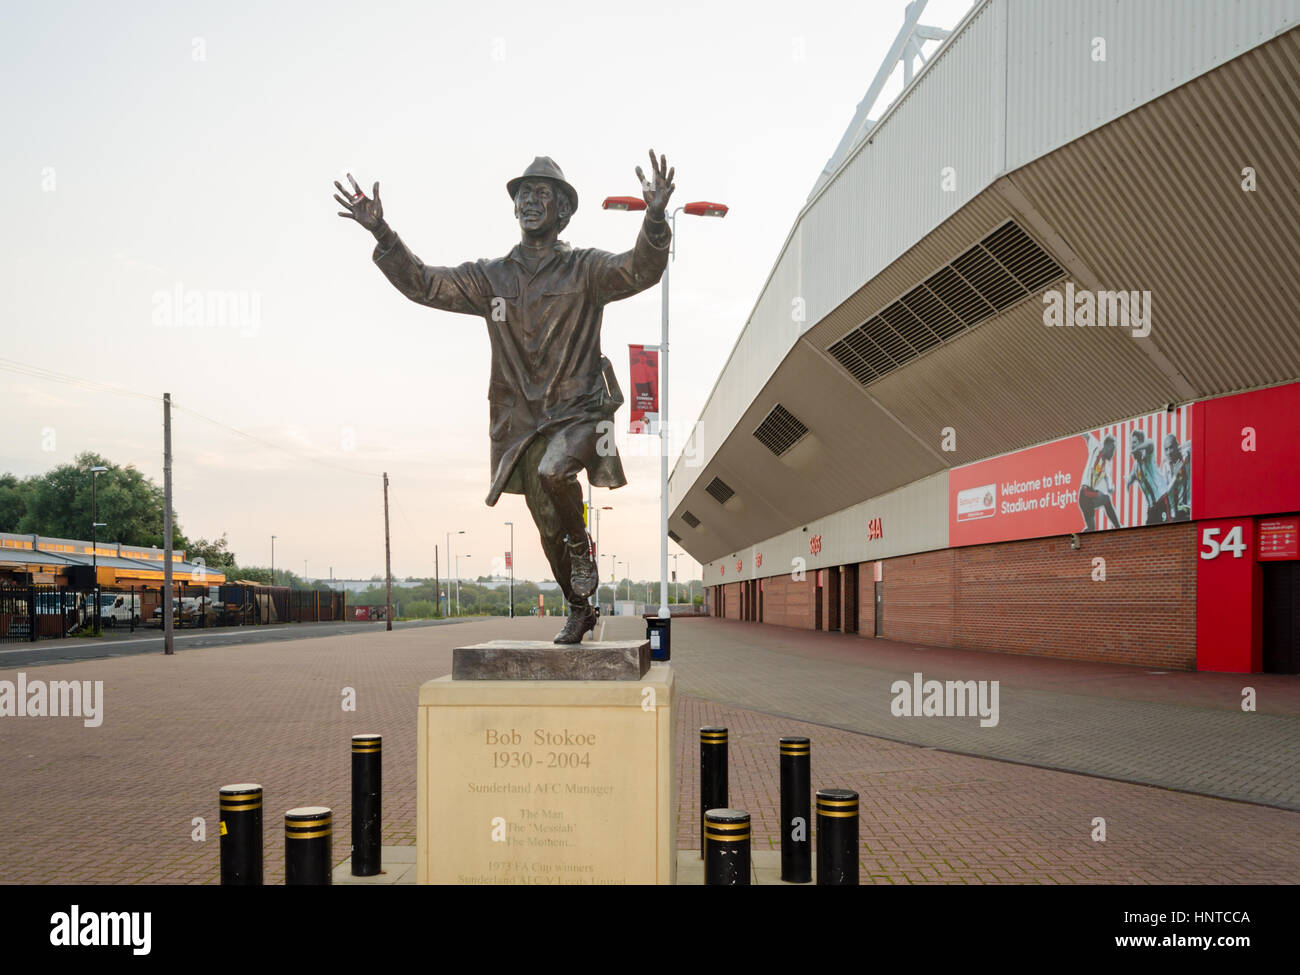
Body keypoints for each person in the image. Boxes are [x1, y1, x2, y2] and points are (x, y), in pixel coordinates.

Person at [335, 152, 674, 643]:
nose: (529, 202)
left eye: (542, 195)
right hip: (522, 423)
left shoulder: (585, 270)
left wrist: (656, 218)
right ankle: (580, 609)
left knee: (554, 471)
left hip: (579, 413)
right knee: (546, 527)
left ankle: (584, 545)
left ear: (563, 212)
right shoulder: (492, 277)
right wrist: (383, 234)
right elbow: (427, 284)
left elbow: (639, 270)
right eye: (523, 195)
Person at [1078, 433, 1120, 531]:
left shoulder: (1106, 466)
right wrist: (1083, 434)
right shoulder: (1096, 447)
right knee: (1106, 499)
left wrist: (1110, 486)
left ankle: (1077, 538)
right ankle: (1118, 527)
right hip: (1085, 492)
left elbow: (1106, 477)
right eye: (1113, 448)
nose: (1113, 452)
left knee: (1091, 529)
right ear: (1107, 445)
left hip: (1090, 497)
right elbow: (1088, 435)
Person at [1124, 428, 1166, 525]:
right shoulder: (1135, 466)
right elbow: (1130, 478)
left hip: (1161, 500)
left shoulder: (1147, 455)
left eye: (1134, 442)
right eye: (1131, 443)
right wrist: (1127, 482)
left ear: (1141, 443)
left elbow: (1150, 443)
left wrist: (1137, 449)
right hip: (1151, 508)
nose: (1132, 445)